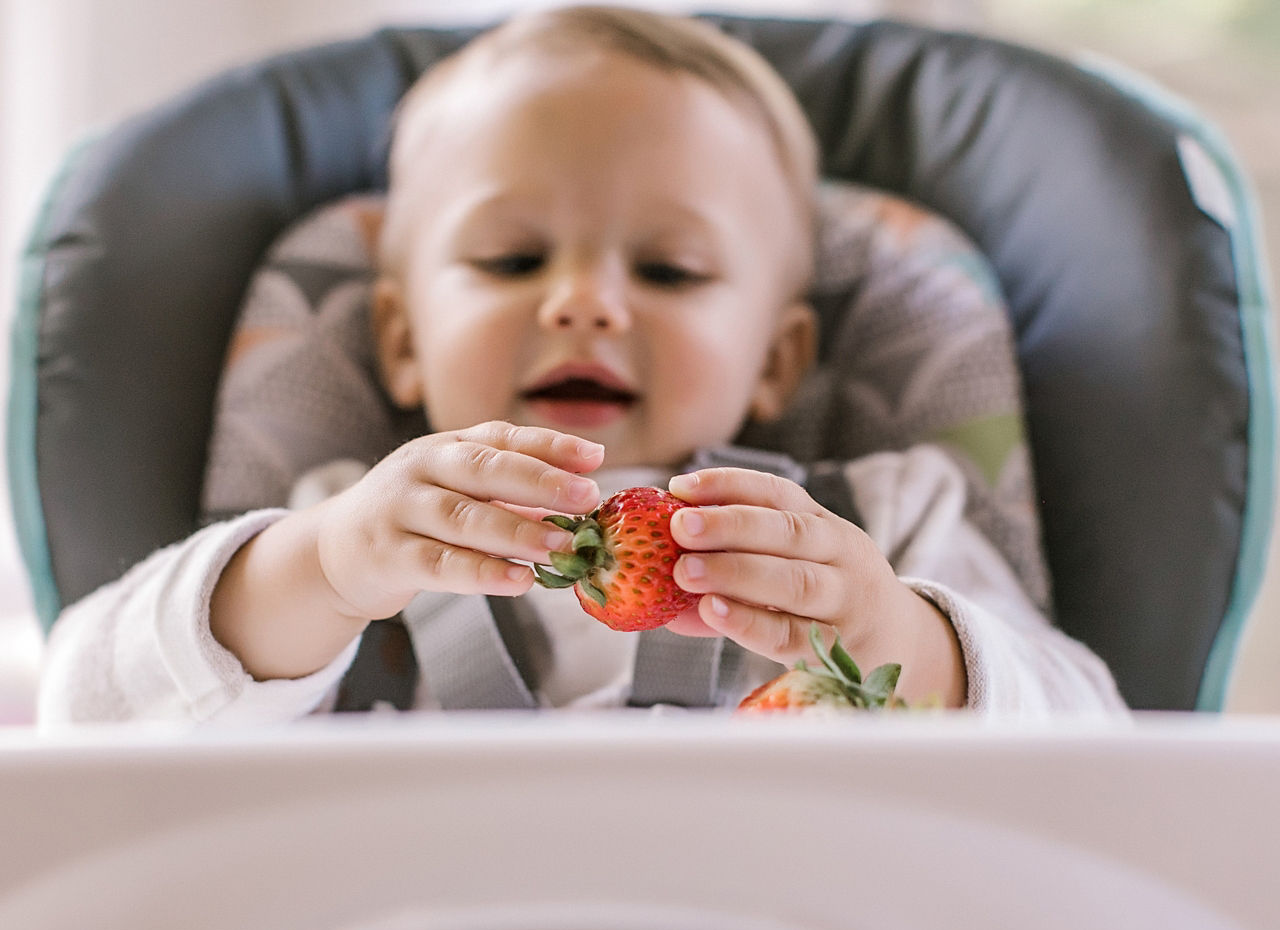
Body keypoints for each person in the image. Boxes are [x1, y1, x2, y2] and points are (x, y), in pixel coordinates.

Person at [38, 4, 1124, 725]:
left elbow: (1087, 742)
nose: (586, 300)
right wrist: (314, 572)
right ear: (401, 341)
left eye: (668, 268)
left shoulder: (886, 522)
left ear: (778, 360)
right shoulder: (338, 528)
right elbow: (83, 714)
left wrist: (900, 640)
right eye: (512, 258)